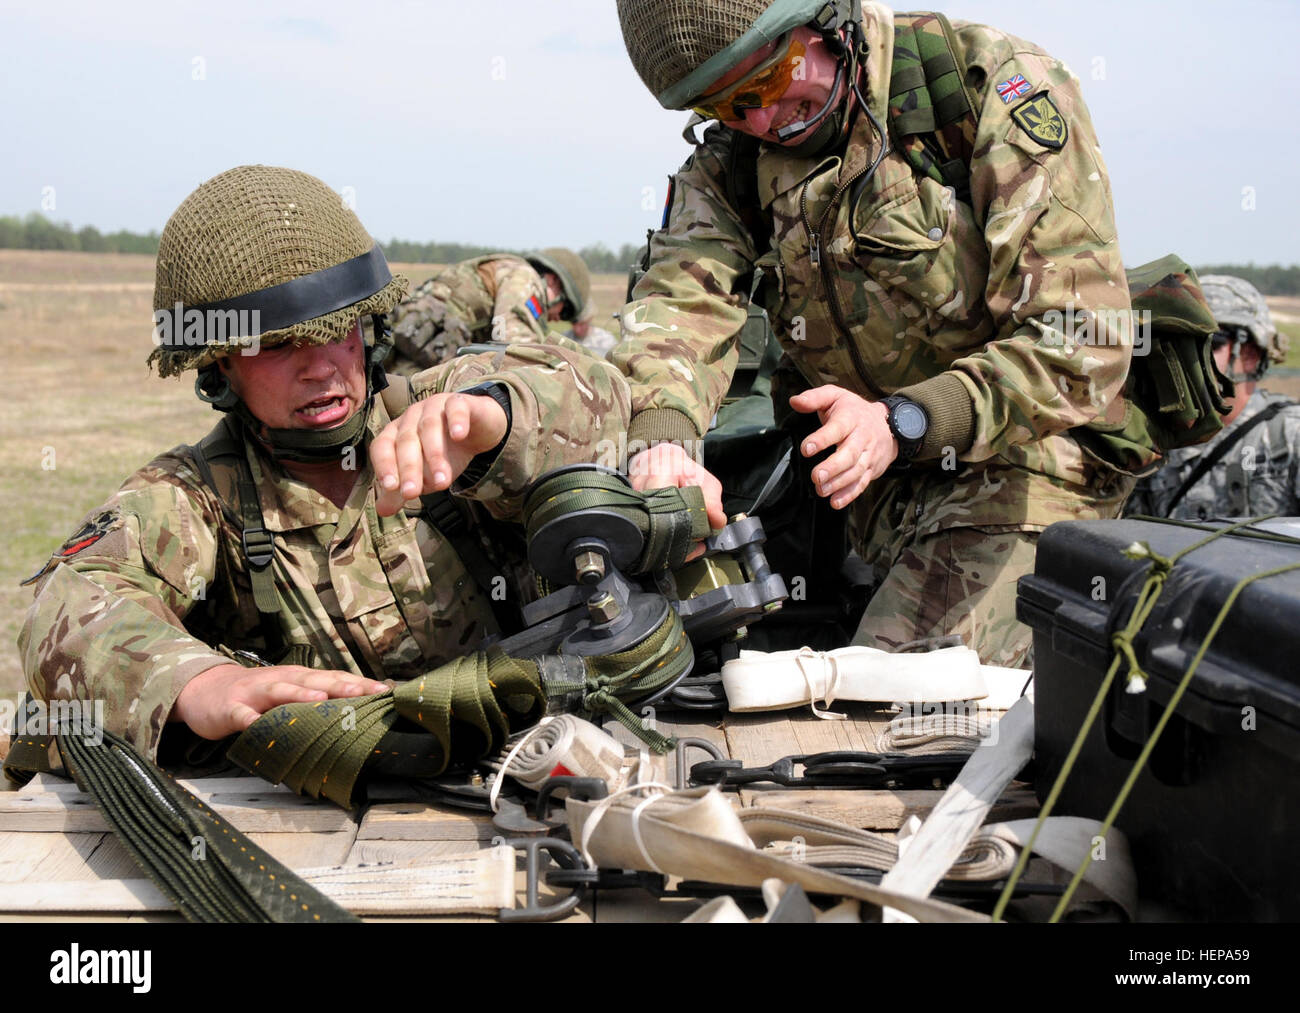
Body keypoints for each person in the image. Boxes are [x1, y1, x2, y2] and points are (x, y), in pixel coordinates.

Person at [15, 166, 642, 764]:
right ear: (219, 365)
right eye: (278, 346)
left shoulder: (435, 409)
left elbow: (600, 394)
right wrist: (199, 681)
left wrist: (497, 423)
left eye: (336, 329)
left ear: (366, 332)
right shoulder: (199, 495)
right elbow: (67, 601)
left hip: (547, 754)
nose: (318, 365)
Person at [609, 0, 1137, 667]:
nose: (763, 121)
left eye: (769, 83)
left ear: (832, 21)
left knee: (893, 704)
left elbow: (1083, 339)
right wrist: (663, 443)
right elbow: (680, 304)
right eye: (725, 108)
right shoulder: (739, 159)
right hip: (881, 497)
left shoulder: (985, 88)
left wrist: (905, 420)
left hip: (1033, 470)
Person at [1127, 276, 1298, 520]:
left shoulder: (1289, 437)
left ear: (1249, 354)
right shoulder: (1151, 437)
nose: (1187, 358)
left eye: (1208, 344)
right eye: (1178, 345)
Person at [386, 248, 595, 374]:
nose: (558, 318)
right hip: (418, 358)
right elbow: (517, 350)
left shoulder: (506, 270)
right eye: (565, 309)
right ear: (553, 281)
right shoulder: (526, 278)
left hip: (408, 350)